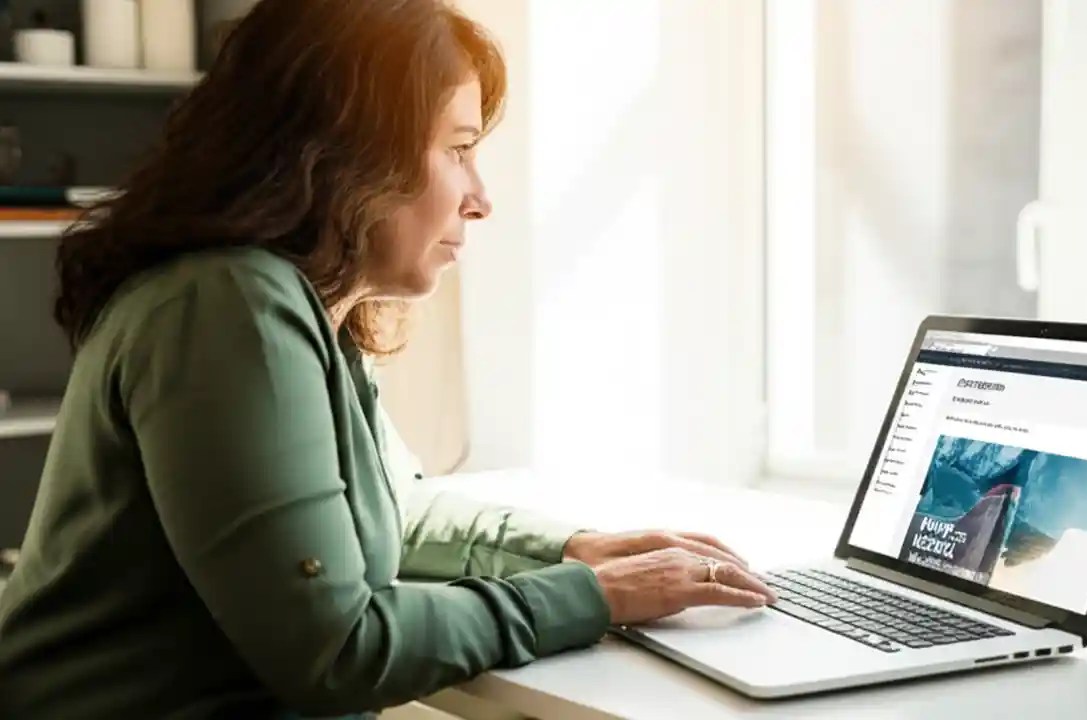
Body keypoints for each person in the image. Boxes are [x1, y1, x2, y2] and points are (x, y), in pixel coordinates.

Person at [0, 1, 777, 717]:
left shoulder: (301, 305)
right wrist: (592, 596)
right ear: (347, 152)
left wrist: (573, 549)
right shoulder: (229, 306)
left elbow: (391, 507)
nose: (480, 198)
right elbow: (340, 648)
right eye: (459, 150)